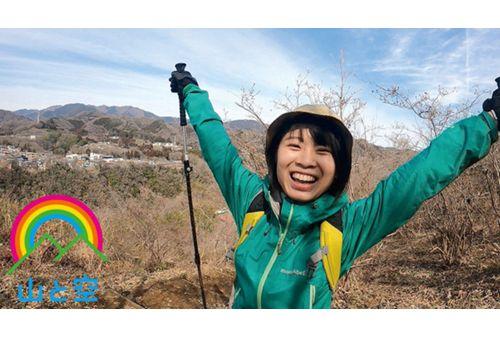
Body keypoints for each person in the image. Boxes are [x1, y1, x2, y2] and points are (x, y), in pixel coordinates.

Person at [169, 68, 499, 309]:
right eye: (294, 145)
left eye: (323, 150)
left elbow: (418, 177)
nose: (307, 161)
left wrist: (488, 122)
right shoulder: (252, 203)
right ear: (275, 155)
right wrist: (191, 93)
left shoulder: (347, 226)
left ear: (338, 168)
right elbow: (217, 146)